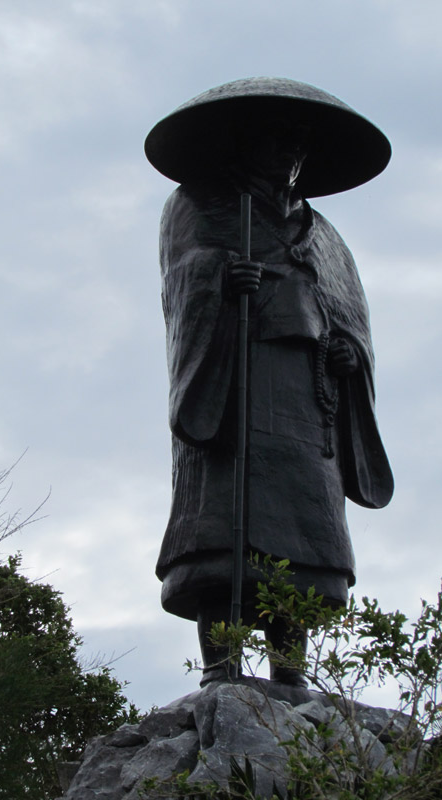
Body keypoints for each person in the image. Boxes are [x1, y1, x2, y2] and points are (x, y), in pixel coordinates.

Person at [145, 78, 394, 685]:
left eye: (298, 144)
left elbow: (351, 320)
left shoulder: (325, 236)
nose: (289, 154)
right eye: (277, 140)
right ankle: (221, 670)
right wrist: (225, 283)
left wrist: (347, 355)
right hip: (234, 384)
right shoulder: (198, 203)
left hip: (307, 399)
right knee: (225, 533)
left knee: (301, 533)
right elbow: (185, 278)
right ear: (245, 143)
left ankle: (290, 673)